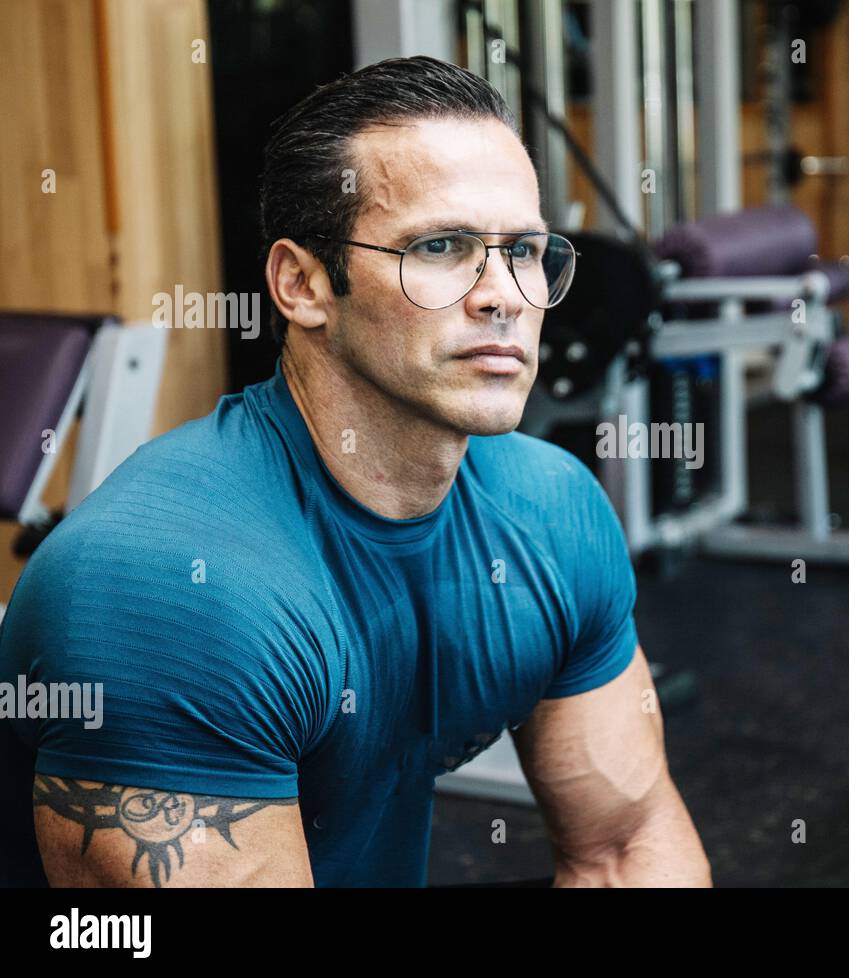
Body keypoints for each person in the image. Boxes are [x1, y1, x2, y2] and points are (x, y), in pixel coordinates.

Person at [0, 56, 710, 887]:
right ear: (301, 286)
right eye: (440, 247)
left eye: (523, 249)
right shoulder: (170, 591)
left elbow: (625, 850)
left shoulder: (551, 511)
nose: (505, 295)